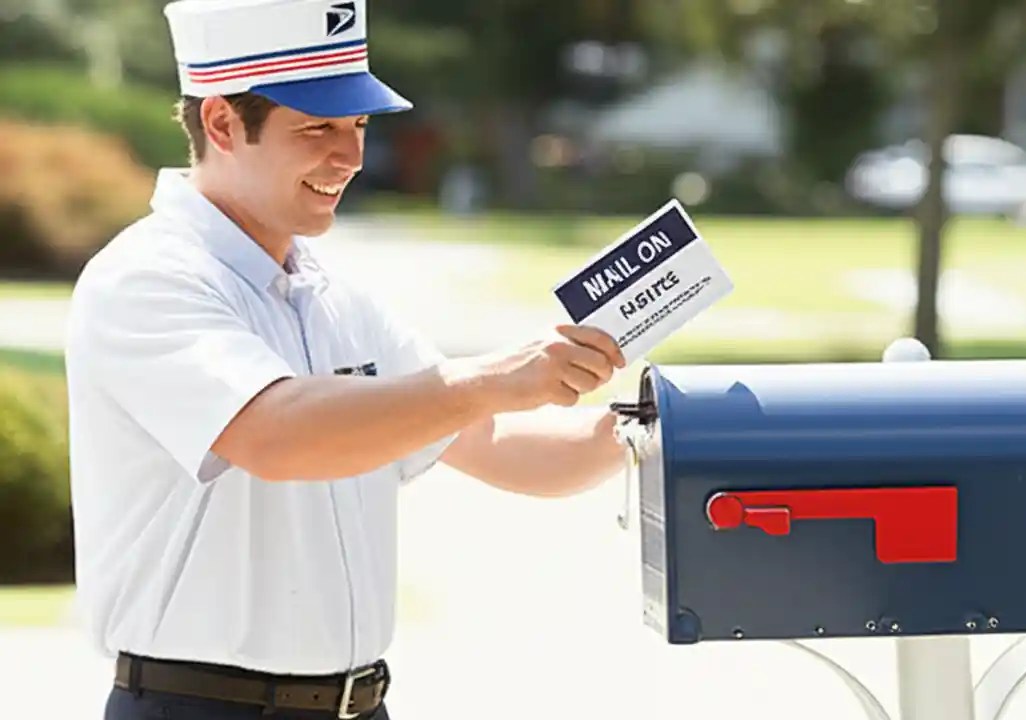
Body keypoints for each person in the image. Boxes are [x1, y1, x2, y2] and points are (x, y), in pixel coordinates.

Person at [65, 1, 629, 718]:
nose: (353, 156)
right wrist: (486, 380)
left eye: (358, 125)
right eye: (318, 128)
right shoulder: (146, 279)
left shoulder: (335, 297)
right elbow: (274, 434)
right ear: (221, 123)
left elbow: (501, 443)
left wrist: (663, 423)